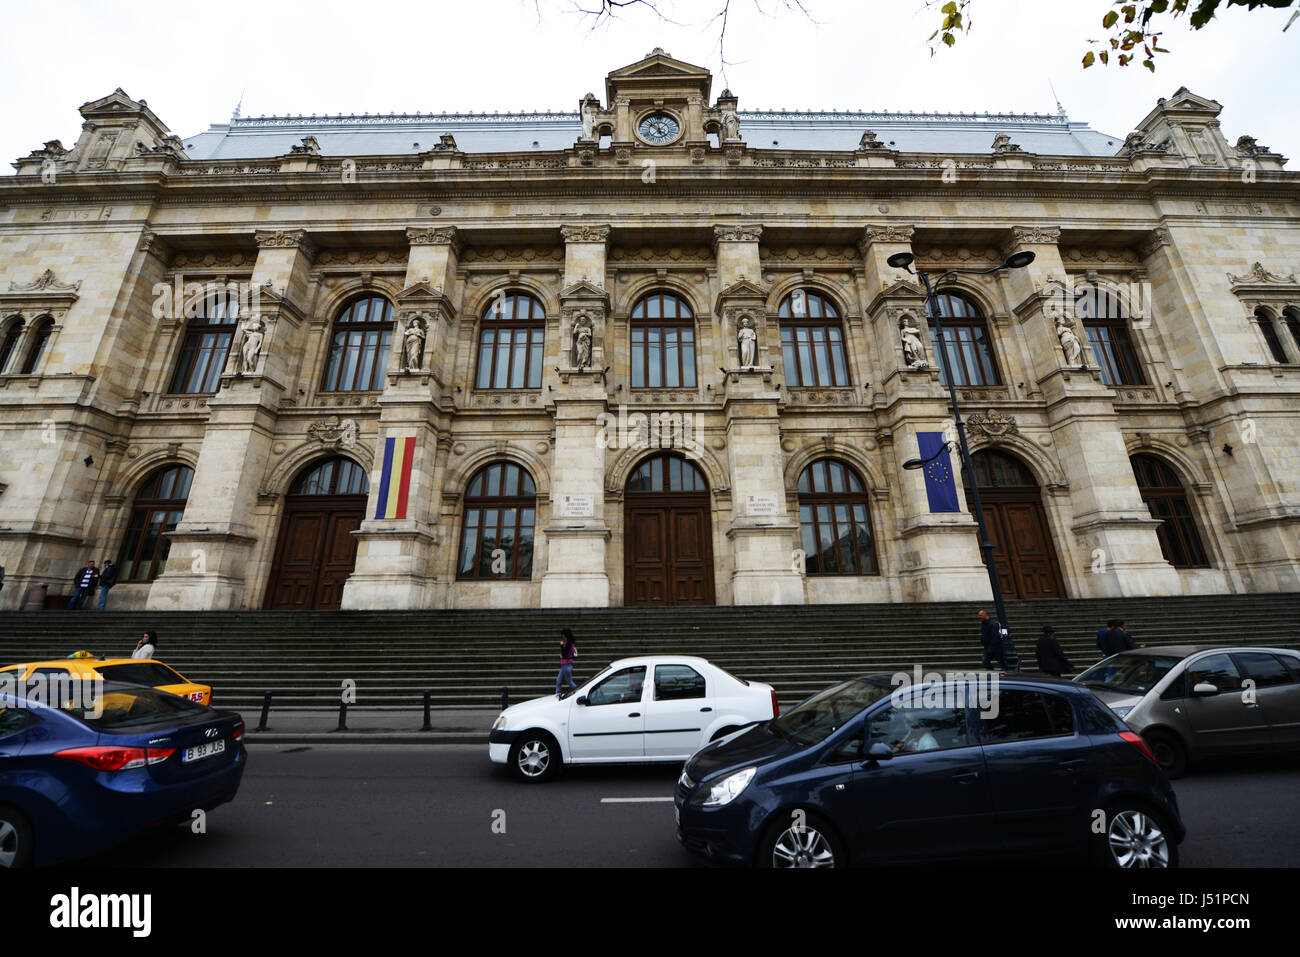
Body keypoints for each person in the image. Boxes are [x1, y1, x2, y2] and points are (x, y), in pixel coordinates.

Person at [556, 628, 577, 697]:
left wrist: (561, 646)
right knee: (558, 680)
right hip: (564, 665)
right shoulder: (568, 643)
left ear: (565, 635)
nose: (562, 636)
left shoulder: (569, 643)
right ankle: (557, 694)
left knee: (570, 682)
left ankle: (578, 692)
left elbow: (564, 654)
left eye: (562, 635)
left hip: (567, 664)